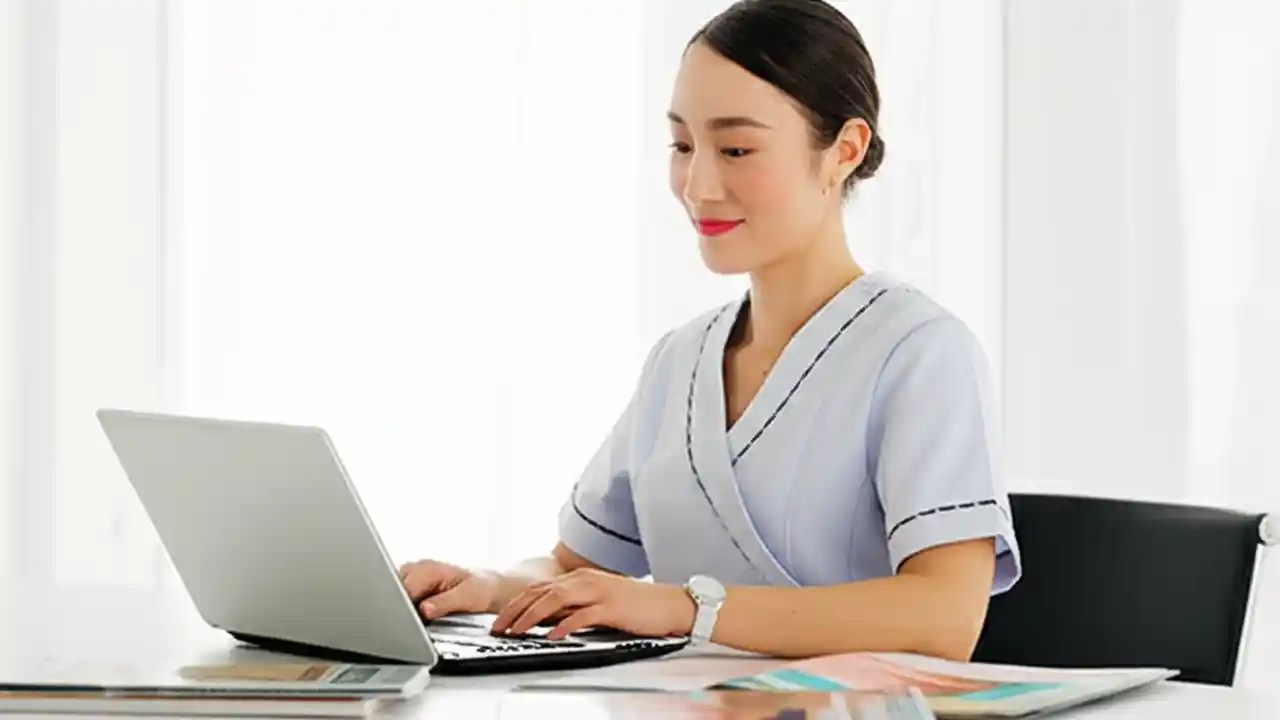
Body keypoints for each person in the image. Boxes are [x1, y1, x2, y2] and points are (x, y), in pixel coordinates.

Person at [399, 0, 1020, 662]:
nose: (697, 185)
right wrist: (491, 587)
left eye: (735, 149)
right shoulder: (680, 362)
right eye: (682, 146)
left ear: (845, 149)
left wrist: (687, 607)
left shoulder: (920, 353)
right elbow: (577, 570)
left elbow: (944, 618)